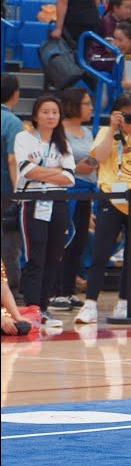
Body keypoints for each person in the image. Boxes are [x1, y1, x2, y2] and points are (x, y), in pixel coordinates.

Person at [75, 93, 131, 324]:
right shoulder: (104, 132)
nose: (128, 117)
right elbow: (99, 158)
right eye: (123, 113)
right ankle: (90, 304)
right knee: (100, 253)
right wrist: (112, 129)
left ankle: (124, 303)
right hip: (111, 197)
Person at [14, 95, 75, 328]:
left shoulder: (63, 142)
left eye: (55, 112)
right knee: (35, 256)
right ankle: (32, 309)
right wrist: (56, 171)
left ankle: (44, 308)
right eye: (46, 112)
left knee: (53, 256)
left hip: (58, 201)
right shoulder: (24, 138)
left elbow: (70, 178)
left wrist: (43, 171)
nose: (50, 116)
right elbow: (27, 171)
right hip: (32, 201)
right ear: (36, 115)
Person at [48, 87, 96, 313]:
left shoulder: (87, 132)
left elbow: (95, 159)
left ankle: (68, 290)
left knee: (80, 241)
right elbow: (52, 163)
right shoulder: (58, 132)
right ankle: (55, 291)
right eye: (87, 103)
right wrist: (77, 168)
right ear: (74, 105)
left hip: (86, 191)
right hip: (66, 191)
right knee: (63, 239)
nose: (91, 108)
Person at [1, 76, 24, 302]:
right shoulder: (13, 122)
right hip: (5, 191)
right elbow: (12, 159)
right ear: (15, 94)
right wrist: (19, 192)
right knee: (9, 244)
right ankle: (10, 294)